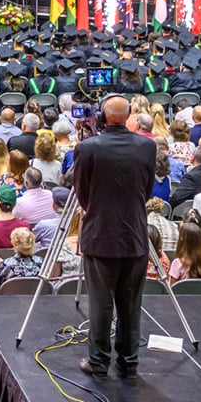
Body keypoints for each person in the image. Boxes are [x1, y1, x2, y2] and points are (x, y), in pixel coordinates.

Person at [73, 94, 155, 379]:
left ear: (102, 116)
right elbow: (147, 190)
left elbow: (83, 196)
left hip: (100, 235)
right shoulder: (147, 147)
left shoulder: (87, 148)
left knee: (101, 303)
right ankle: (129, 361)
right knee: (131, 304)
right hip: (134, 235)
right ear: (129, 114)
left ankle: (98, 362)